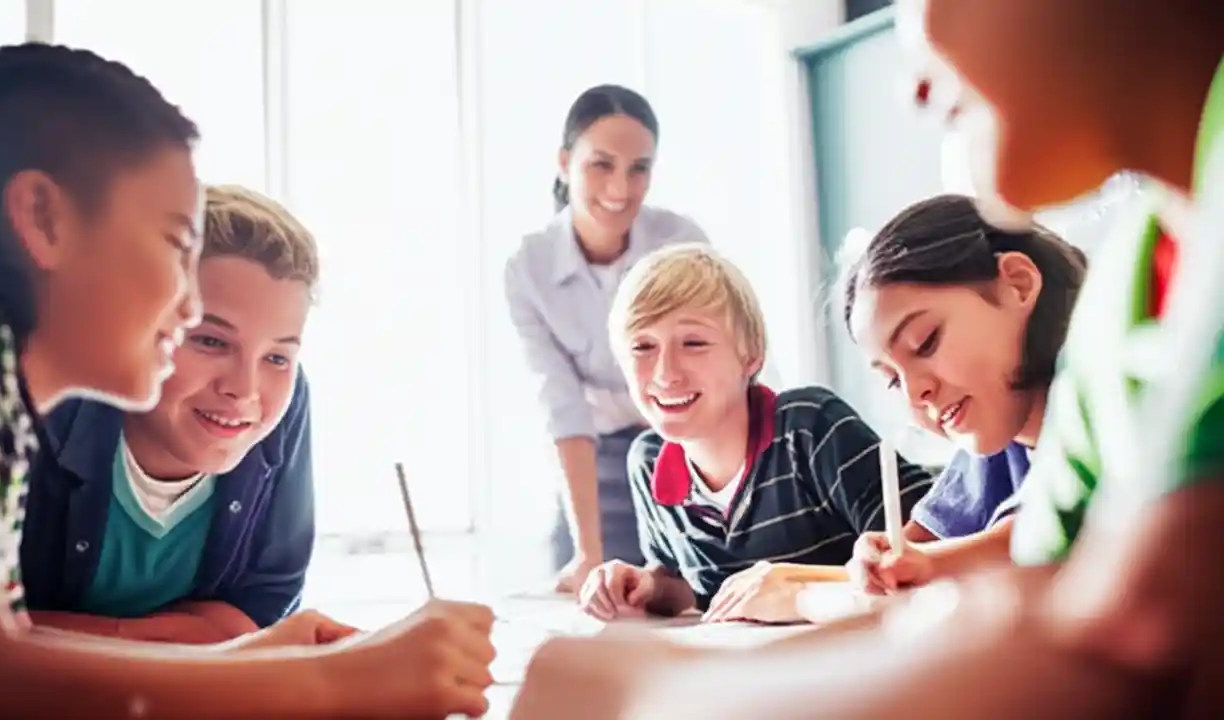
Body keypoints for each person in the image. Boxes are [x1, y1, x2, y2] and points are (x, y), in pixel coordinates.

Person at [511, 1, 1224, 717]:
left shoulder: (813, 426)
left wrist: (654, 695)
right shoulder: (1129, 283)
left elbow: (1133, 636)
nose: (910, 86)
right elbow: (1039, 591)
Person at [0, 43, 494, 719]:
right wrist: (331, 682)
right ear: (44, 218)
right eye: (176, 246)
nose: (183, 305)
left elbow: (3, 646)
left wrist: (246, 662)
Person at [21, 185, 320, 643]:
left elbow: (262, 611)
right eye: (211, 341)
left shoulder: (288, 403)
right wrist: (188, 638)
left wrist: (63, 636)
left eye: (277, 357)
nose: (244, 389)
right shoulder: (45, 401)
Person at [577, 244, 931, 623]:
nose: (665, 374)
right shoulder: (647, 462)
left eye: (693, 343)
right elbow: (691, 587)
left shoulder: (810, 430)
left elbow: (931, 551)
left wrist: (797, 587)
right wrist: (647, 584)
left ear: (751, 356)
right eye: (642, 346)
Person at [505, 84, 710, 593]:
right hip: (590, 466)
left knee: (687, 600)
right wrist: (587, 553)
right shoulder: (528, 268)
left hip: (680, 445)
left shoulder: (680, 243)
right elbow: (562, 405)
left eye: (639, 168)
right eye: (601, 164)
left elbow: (709, 370)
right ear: (564, 162)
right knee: (590, 596)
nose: (621, 188)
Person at [841, 194, 1087, 595]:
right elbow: (921, 543)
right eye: (892, 379)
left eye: (925, 343)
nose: (916, 392)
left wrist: (933, 564)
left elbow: (1055, 534)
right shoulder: (997, 434)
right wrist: (881, 555)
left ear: (1018, 284)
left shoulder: (1099, 389)